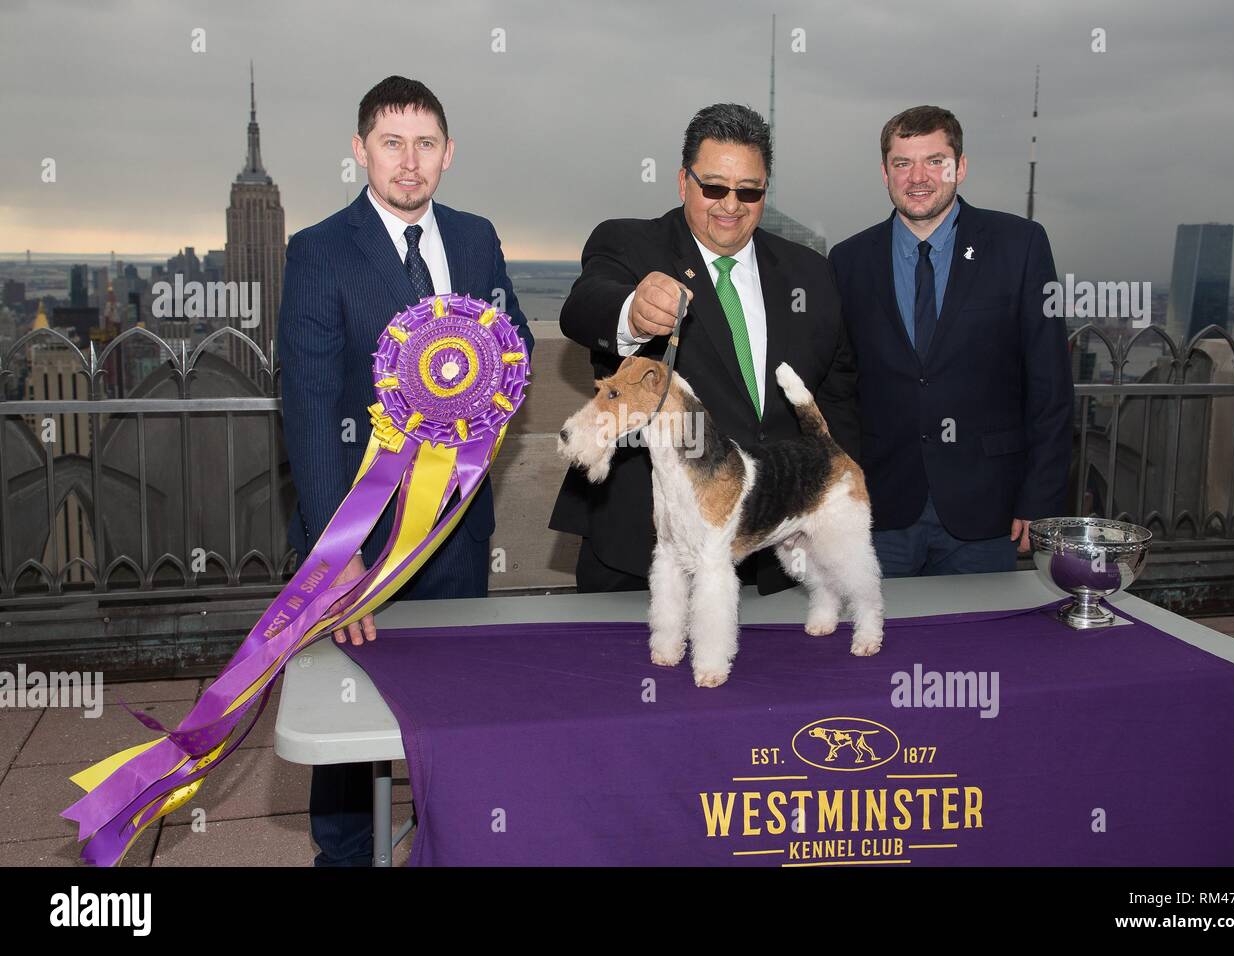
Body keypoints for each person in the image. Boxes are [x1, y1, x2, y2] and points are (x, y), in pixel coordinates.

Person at [277, 75, 533, 866]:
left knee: (452, 712)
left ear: (448, 153)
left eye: (425, 144)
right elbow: (313, 408)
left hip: (455, 530)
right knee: (349, 729)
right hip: (360, 537)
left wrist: (487, 404)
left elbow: (513, 346)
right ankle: (348, 857)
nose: (409, 162)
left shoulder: (479, 237)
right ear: (361, 151)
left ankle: (448, 844)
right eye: (392, 143)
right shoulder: (319, 251)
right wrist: (336, 558)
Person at [549, 103, 859, 595]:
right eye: (713, 186)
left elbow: (838, 397)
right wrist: (632, 312)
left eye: (749, 191)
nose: (730, 205)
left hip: (777, 557)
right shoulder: (629, 242)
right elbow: (583, 307)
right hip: (645, 555)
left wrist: (833, 504)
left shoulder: (811, 273)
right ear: (682, 182)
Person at [829, 105, 1072, 578]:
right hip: (879, 507)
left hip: (988, 509)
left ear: (959, 167)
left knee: (979, 649)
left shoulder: (1019, 245)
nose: (918, 177)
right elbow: (839, 385)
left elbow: (1050, 382)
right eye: (903, 163)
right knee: (878, 642)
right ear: (885, 173)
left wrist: (1040, 498)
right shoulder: (849, 260)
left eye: (935, 161)